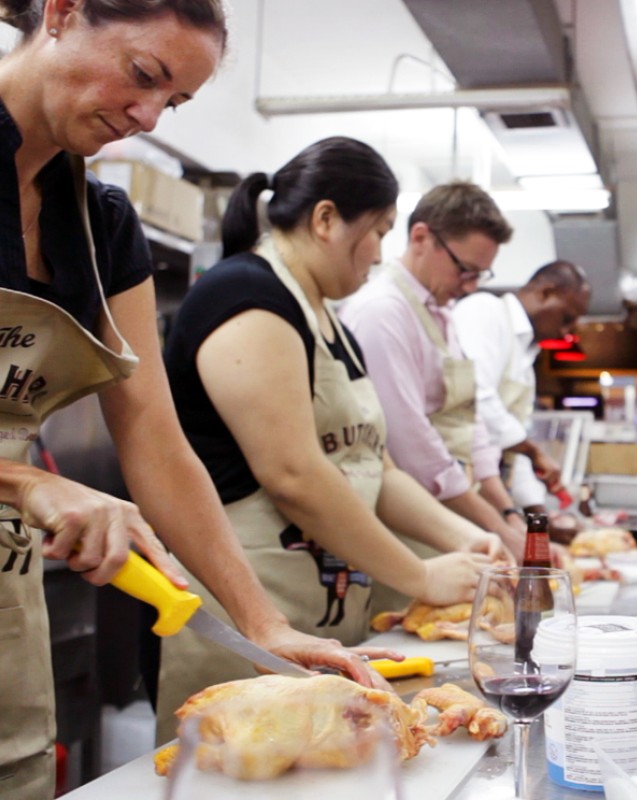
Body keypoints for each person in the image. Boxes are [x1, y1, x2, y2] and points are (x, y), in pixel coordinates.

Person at [0, 3, 380, 797]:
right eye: (143, 76)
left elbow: (154, 438)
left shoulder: (101, 228)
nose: (144, 116)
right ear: (64, 13)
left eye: (171, 104)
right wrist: (30, 481)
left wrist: (261, 622)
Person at [156, 137, 503, 741]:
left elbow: (377, 468)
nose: (380, 254)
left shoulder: (329, 320)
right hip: (249, 613)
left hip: (324, 619)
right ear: (325, 220)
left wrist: (472, 539)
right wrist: (419, 577)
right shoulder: (247, 298)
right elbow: (292, 473)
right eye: (380, 231)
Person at [339, 181, 526, 562]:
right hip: (406, 528)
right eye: (466, 270)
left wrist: (507, 513)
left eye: (480, 275)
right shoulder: (382, 313)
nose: (471, 286)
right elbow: (413, 448)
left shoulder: (441, 312)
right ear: (421, 237)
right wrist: (495, 529)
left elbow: (467, 423)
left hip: (450, 518)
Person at [452, 260, 591, 512]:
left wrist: (538, 513)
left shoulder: (526, 359)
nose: (566, 333)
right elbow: (475, 399)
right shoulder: (484, 312)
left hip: (485, 495)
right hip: (450, 485)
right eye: (567, 318)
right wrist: (533, 451)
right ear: (545, 293)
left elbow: (515, 443)